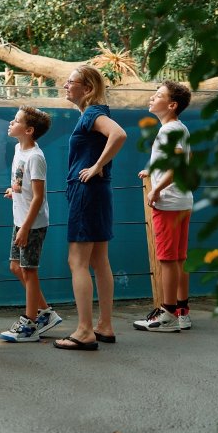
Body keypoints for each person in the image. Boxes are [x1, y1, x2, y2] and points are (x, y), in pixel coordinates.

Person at [54, 64, 126, 351]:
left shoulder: (93, 114)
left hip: (87, 192)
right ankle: (104, 326)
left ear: (87, 88)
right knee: (99, 260)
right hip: (98, 192)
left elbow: (119, 135)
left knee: (78, 261)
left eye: (71, 82)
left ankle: (85, 330)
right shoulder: (90, 114)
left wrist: (96, 166)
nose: (66, 86)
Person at [0, 106, 65, 342]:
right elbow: (24, 185)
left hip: (32, 223)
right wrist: (14, 191)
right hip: (21, 219)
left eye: (15, 121)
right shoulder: (19, 149)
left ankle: (30, 324)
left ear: (28, 130)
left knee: (28, 269)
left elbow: (39, 196)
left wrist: (26, 228)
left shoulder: (36, 157)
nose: (10, 123)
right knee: (15, 267)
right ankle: (46, 313)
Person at [134, 80, 195, 333]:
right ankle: (182, 311)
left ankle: (167, 313)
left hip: (168, 202)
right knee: (179, 259)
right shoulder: (177, 128)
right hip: (182, 200)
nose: (152, 98)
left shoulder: (169, 130)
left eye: (157, 95)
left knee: (168, 260)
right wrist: (150, 170)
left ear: (171, 105)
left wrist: (157, 189)